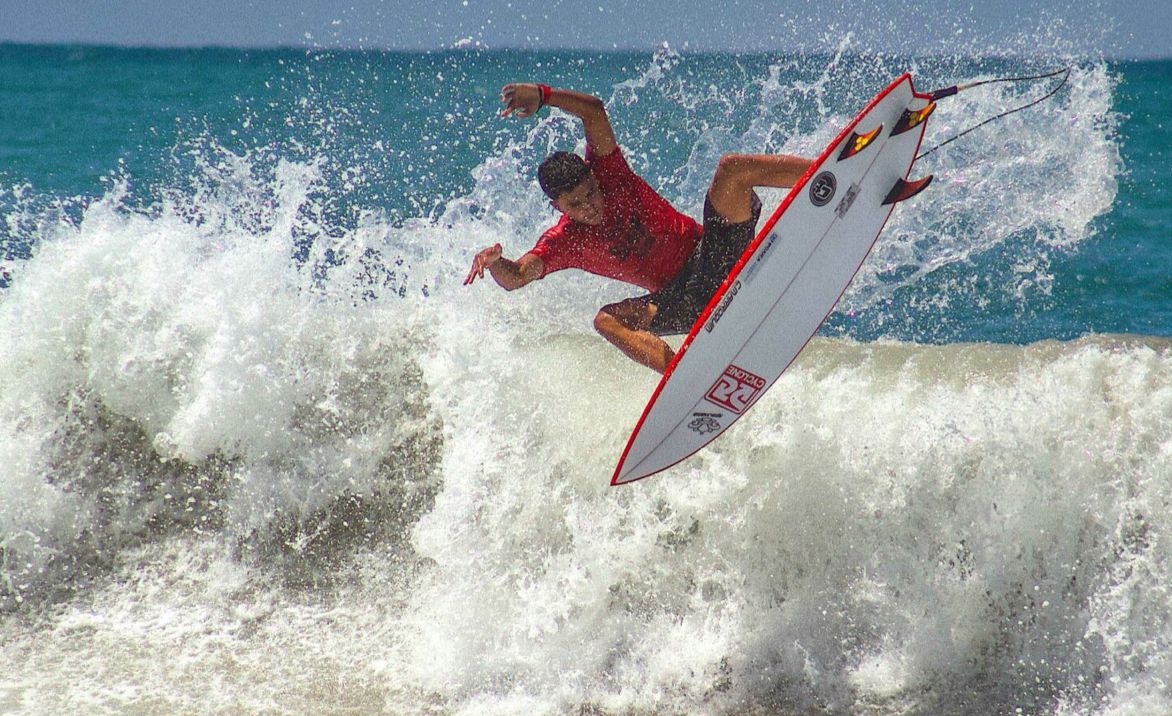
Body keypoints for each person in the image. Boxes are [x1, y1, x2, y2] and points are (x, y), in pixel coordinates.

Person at [464, 82, 813, 374]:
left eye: (591, 193)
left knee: (732, 169)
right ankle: (684, 378)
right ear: (558, 208)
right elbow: (517, 276)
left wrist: (543, 95)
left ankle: (831, 172)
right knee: (606, 320)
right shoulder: (564, 242)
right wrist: (495, 262)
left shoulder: (611, 174)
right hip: (683, 302)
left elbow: (594, 111)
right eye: (576, 205)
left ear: (593, 176)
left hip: (715, 256)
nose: (591, 207)